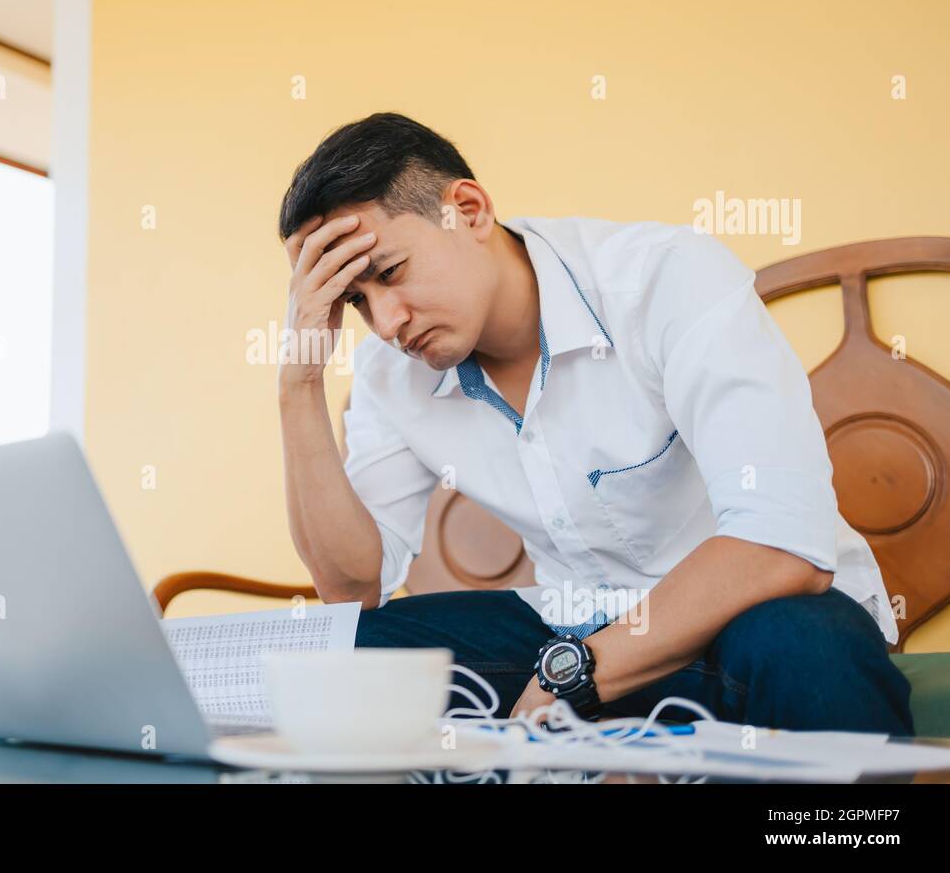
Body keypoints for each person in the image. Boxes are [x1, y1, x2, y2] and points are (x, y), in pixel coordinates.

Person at [275, 112, 913, 735]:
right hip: (573, 628)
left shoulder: (664, 277)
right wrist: (298, 381)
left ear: (468, 210)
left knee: (806, 640)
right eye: (357, 302)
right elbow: (352, 589)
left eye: (390, 273)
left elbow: (781, 545)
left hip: (746, 625)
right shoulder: (391, 375)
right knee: (351, 653)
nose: (387, 323)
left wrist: (569, 680)